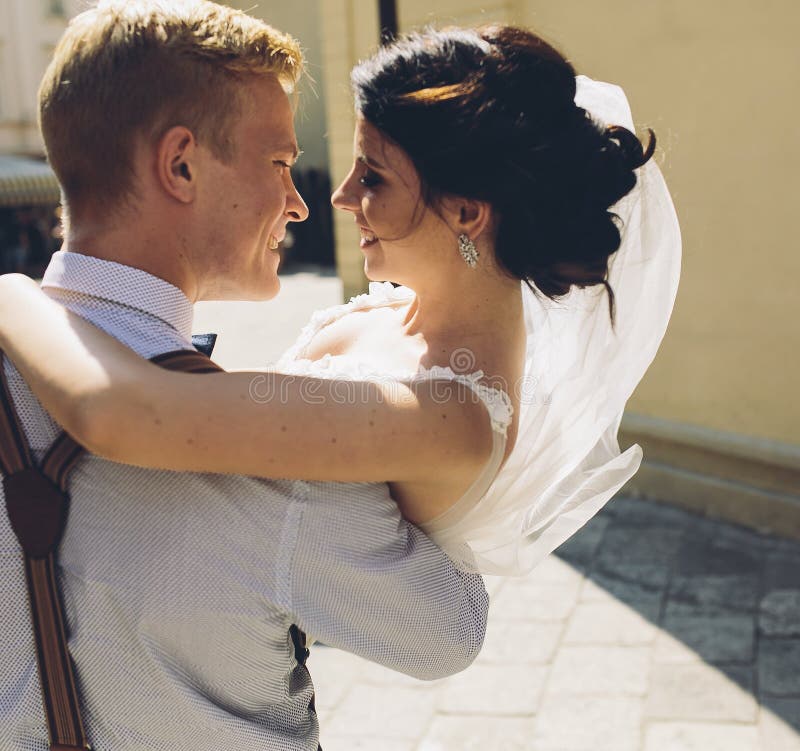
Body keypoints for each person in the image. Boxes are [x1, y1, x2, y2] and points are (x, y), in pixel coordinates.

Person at [0, 24, 680, 575]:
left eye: (374, 177)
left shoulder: (448, 419)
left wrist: (13, 294)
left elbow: (125, 412)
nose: (339, 195)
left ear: (468, 212)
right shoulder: (388, 315)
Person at [0, 3, 490, 750]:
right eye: (280, 163)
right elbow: (445, 633)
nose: (298, 201)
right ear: (181, 164)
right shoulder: (276, 465)